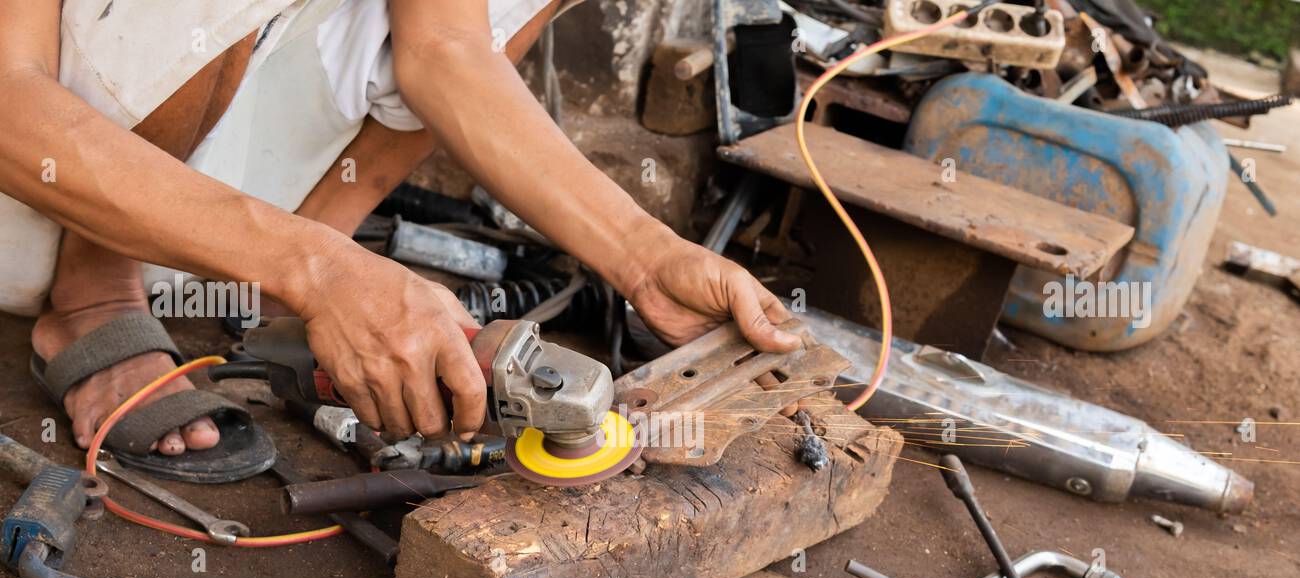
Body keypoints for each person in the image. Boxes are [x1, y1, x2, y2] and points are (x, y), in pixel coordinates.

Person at [0, 0, 798, 479]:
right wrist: (325, 277)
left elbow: (445, 50)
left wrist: (646, 258)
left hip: (205, 201)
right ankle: (94, 297)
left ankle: (301, 254)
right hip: (36, 193)